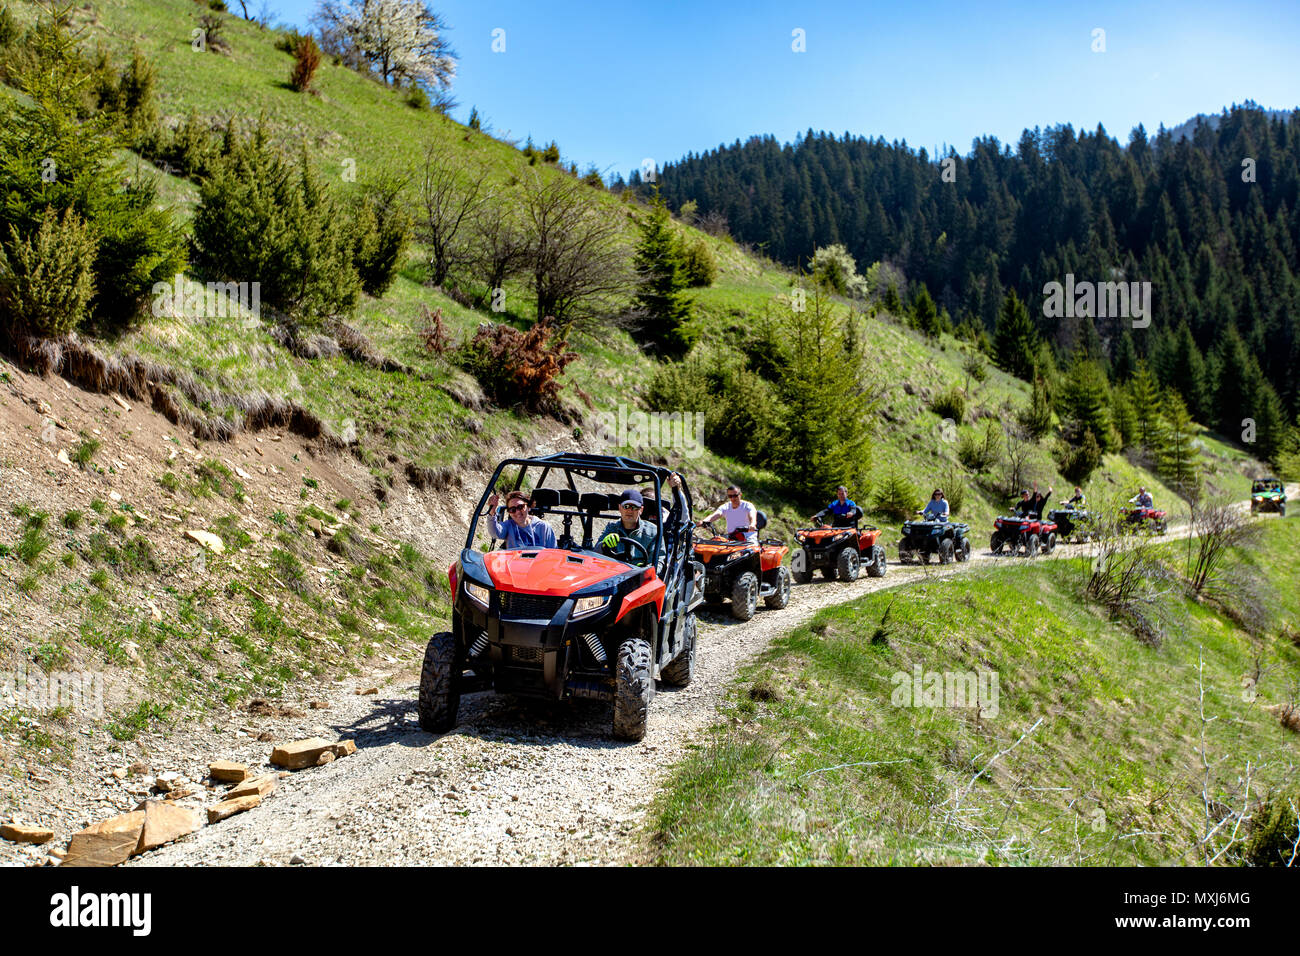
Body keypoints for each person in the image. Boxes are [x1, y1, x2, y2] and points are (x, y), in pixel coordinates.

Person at [598, 489, 659, 565]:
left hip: (640, 575)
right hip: (613, 571)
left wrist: (646, 570)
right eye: (626, 506)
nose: (630, 511)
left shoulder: (653, 532)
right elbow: (595, 553)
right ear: (620, 508)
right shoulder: (612, 527)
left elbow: (659, 561)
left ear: (641, 510)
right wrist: (602, 544)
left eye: (634, 507)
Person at [486, 490, 556, 549]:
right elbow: (495, 532)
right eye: (512, 510)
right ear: (509, 512)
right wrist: (492, 511)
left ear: (528, 507)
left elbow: (553, 554)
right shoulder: (508, 526)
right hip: (514, 563)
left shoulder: (543, 527)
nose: (517, 512)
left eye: (520, 507)